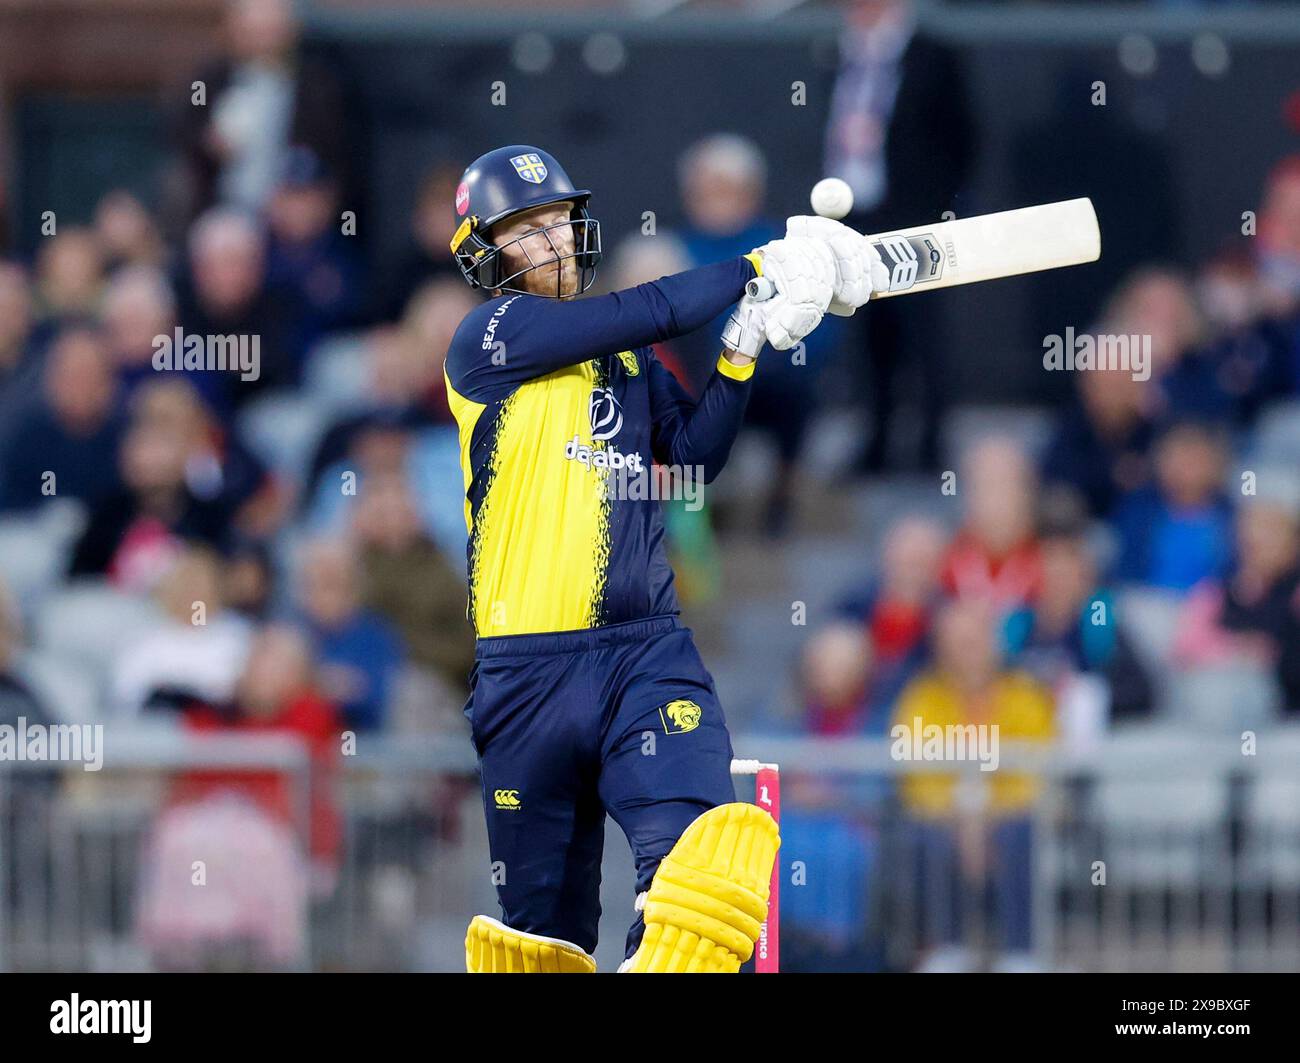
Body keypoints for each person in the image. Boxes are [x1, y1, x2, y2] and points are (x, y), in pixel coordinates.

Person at [444, 144, 886, 973]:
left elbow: (692, 458)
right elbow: (646, 307)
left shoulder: (626, 358)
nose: (552, 240)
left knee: (697, 866)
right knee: (543, 940)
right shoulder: (489, 338)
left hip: (645, 653)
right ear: (485, 252)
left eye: (558, 222)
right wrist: (759, 265)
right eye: (525, 229)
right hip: (526, 673)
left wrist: (740, 348)